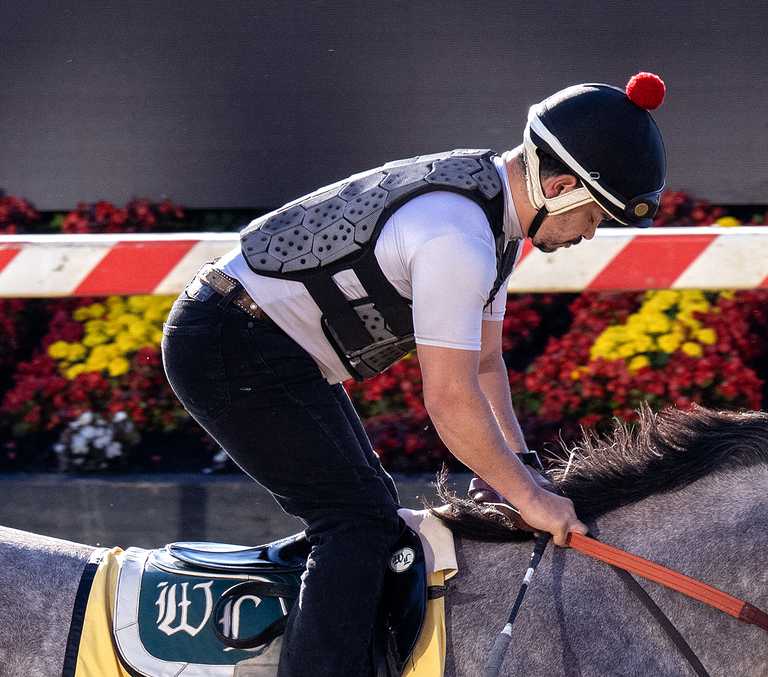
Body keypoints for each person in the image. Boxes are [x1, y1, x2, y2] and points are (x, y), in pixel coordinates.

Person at [160, 72, 667, 676]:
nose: (589, 234)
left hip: (259, 340)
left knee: (367, 513)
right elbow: (450, 399)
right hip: (230, 343)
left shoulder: (490, 215)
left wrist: (519, 470)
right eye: (594, 216)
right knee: (357, 521)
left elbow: (484, 364)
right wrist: (529, 498)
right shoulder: (460, 238)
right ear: (559, 187)